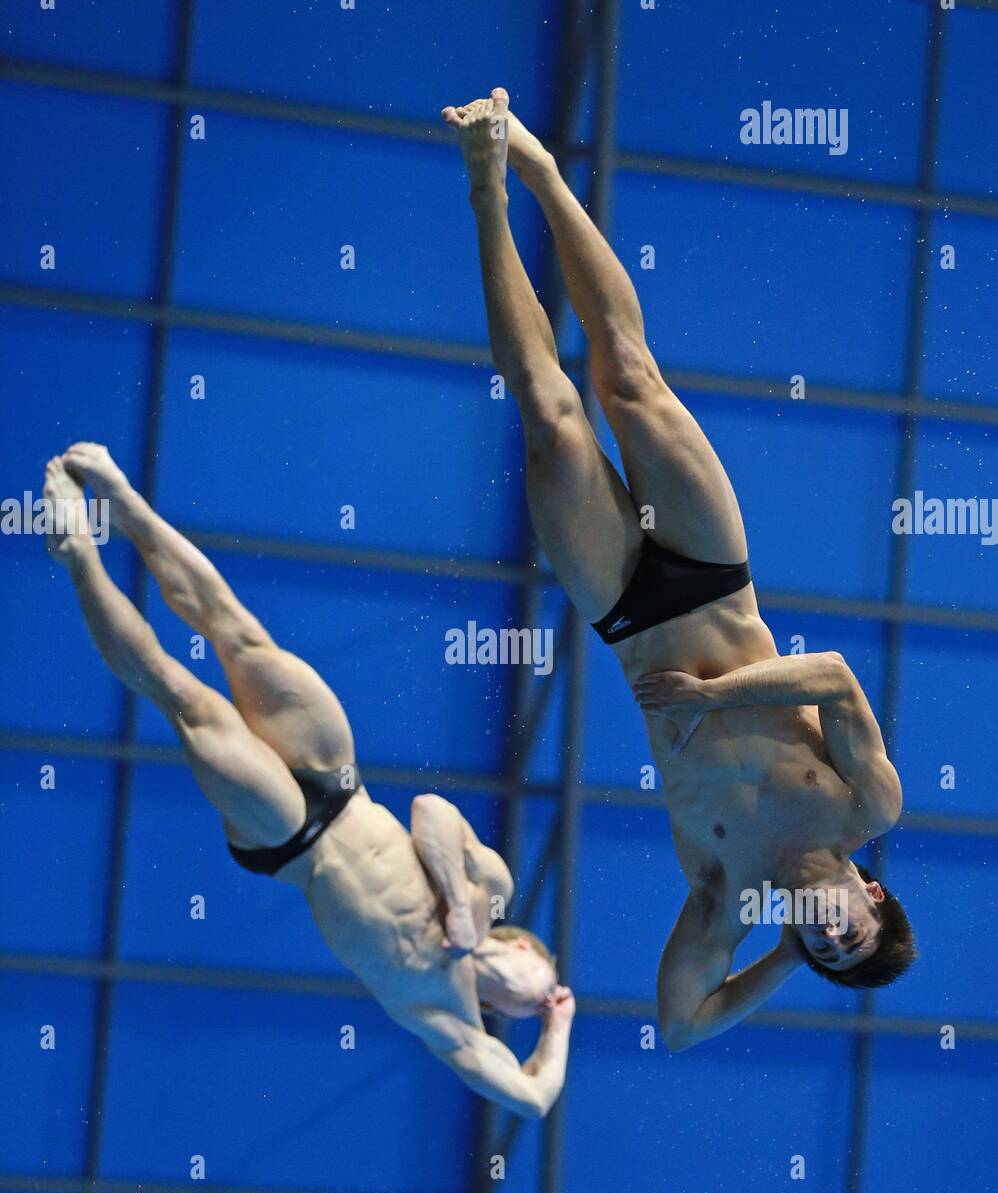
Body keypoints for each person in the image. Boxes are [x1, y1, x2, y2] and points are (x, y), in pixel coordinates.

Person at [444, 89, 914, 1050]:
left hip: (624, 613)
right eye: (847, 930)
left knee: (547, 411)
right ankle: (535, 160)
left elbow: (684, 1023)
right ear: (871, 888)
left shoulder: (724, 893)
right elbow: (835, 677)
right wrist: (720, 695)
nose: (826, 935)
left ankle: (486, 185)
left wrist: (785, 956)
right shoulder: (866, 803)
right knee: (625, 374)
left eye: (823, 950)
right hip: (712, 576)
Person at [43, 442, 574, 1115]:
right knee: (240, 633)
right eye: (542, 990)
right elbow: (431, 810)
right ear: (525, 946)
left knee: (186, 697)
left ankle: (79, 559)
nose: (528, 1005)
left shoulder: (446, 1018)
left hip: (293, 842)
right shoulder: (489, 887)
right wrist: (460, 911)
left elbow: (531, 1099)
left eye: (528, 1012)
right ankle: (127, 507)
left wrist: (558, 1027)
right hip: (342, 783)